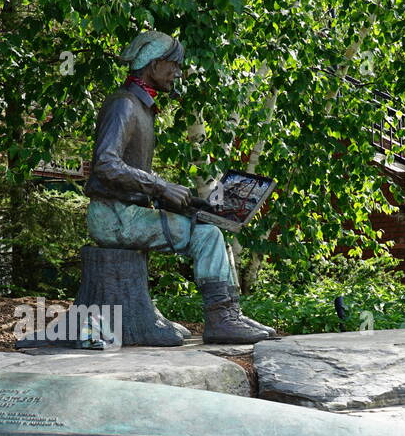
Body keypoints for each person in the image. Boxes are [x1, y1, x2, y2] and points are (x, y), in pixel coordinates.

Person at [83, 30, 276, 344]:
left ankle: (229, 314)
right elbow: (105, 164)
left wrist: (173, 196)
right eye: (172, 65)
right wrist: (160, 187)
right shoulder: (124, 105)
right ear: (152, 64)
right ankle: (221, 319)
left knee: (205, 223)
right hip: (113, 218)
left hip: (126, 213)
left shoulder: (139, 107)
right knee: (207, 235)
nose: (178, 73)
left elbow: (129, 172)